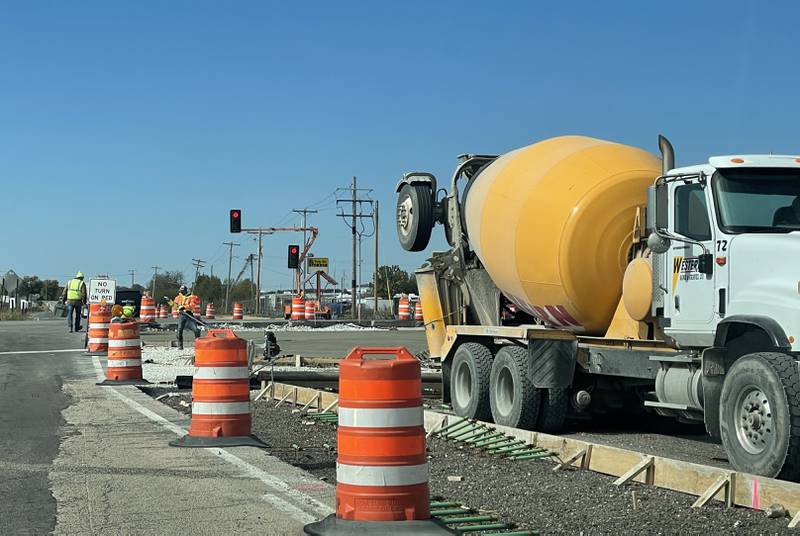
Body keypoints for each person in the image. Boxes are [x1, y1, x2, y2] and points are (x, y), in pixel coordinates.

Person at [169, 285, 200, 350]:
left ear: (186, 290)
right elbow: (175, 305)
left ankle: (198, 345)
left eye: (183, 291)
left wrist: (184, 307)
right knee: (179, 330)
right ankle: (180, 346)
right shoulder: (178, 297)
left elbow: (192, 305)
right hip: (182, 315)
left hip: (189, 315)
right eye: (181, 291)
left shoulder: (191, 297)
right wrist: (169, 301)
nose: (181, 292)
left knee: (196, 330)